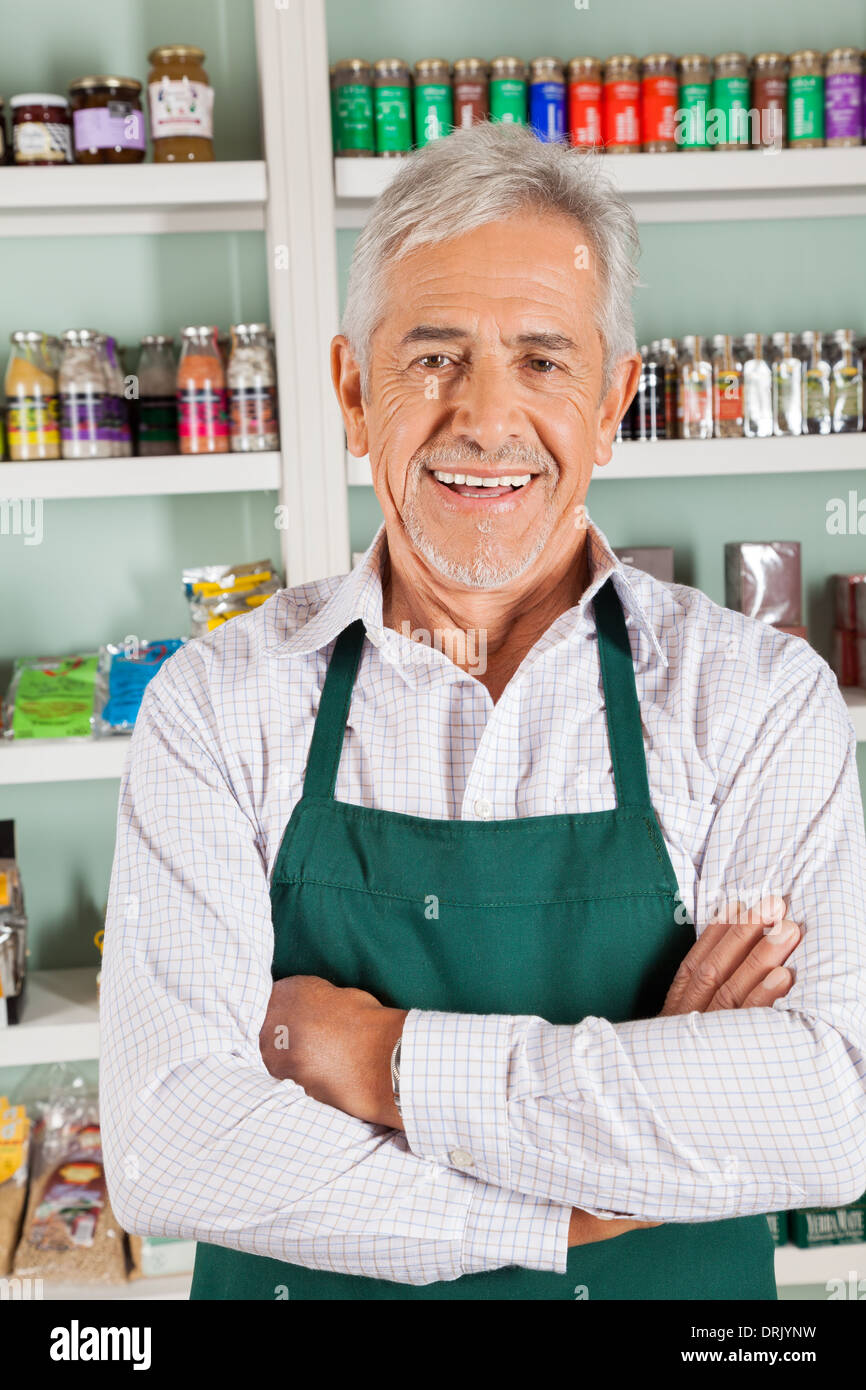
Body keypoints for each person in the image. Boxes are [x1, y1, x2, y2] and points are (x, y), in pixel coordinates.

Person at [101, 123, 866, 1300]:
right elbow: (174, 1146)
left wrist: (375, 1054)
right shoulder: (218, 705)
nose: (486, 420)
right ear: (355, 393)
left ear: (613, 401)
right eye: (434, 356)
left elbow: (820, 1112)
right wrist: (575, 1206)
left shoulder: (754, 699)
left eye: (544, 360)